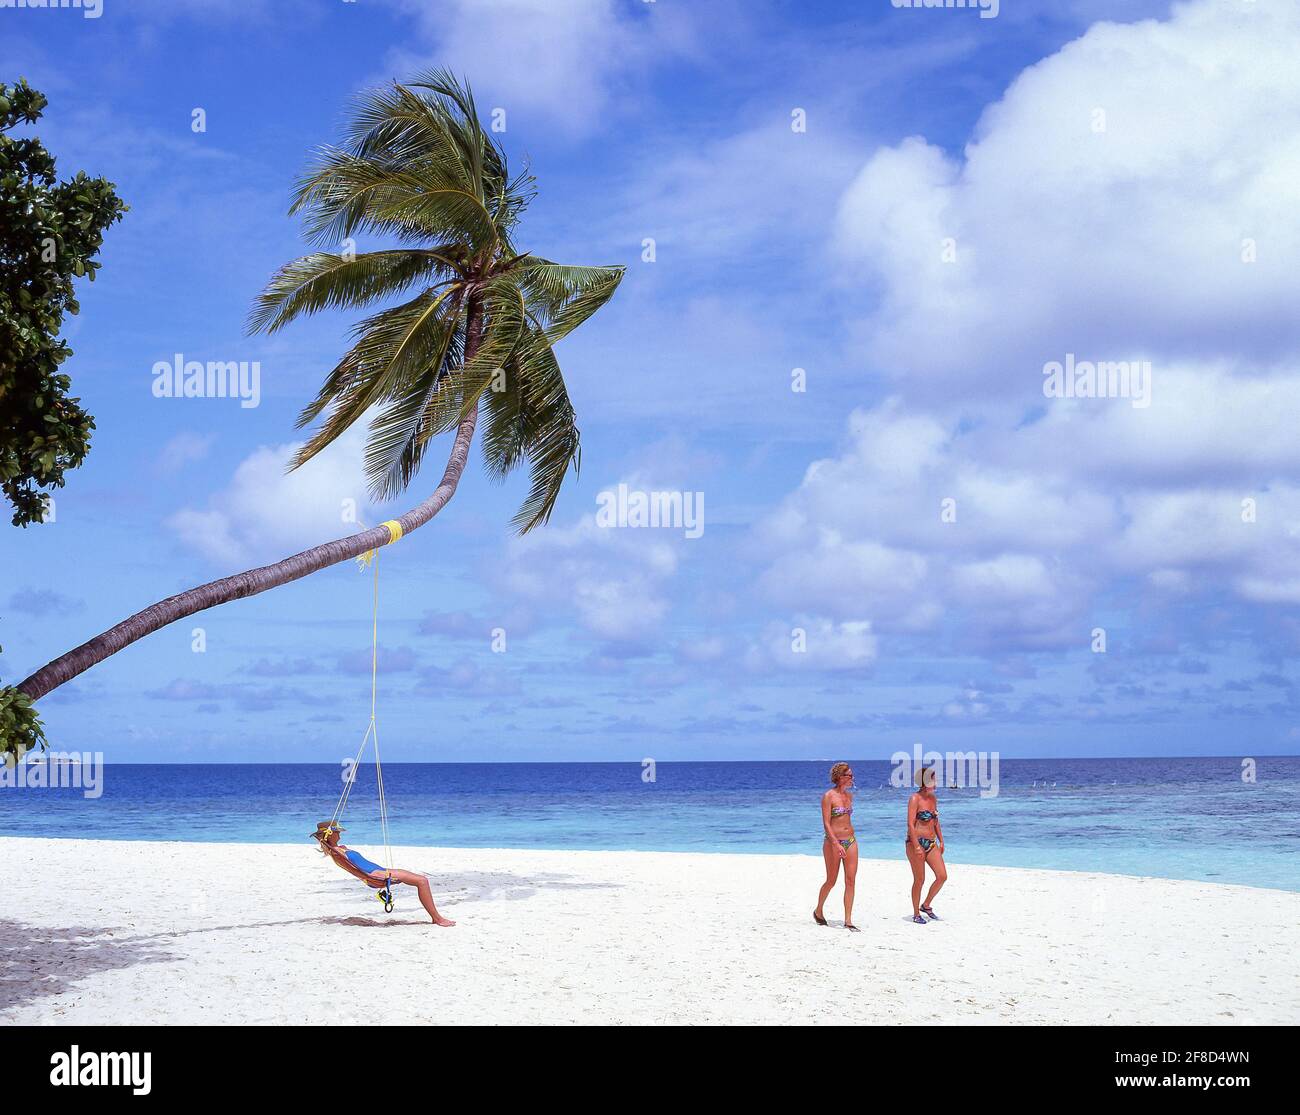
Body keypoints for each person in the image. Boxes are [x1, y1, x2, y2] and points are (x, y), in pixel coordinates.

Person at [312, 821, 455, 927]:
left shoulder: (339, 849)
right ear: (330, 834)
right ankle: (437, 919)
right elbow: (355, 869)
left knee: (420, 879)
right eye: (337, 832)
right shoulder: (337, 853)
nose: (340, 834)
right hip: (378, 874)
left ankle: (436, 917)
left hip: (379, 871)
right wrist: (372, 878)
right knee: (422, 881)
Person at [814, 762, 860, 931]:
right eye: (849, 775)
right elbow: (826, 823)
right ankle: (818, 910)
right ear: (840, 777)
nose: (852, 778)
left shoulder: (849, 796)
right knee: (831, 881)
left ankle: (848, 920)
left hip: (850, 841)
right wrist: (835, 843)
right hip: (833, 842)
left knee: (850, 881)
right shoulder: (828, 796)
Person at [905, 766, 946, 924]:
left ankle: (926, 905)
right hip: (915, 843)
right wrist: (916, 846)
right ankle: (916, 913)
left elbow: (935, 821)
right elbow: (910, 824)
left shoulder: (933, 799)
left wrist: (941, 840)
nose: (936, 782)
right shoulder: (915, 798)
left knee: (942, 876)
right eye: (934, 778)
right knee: (919, 879)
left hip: (931, 843)